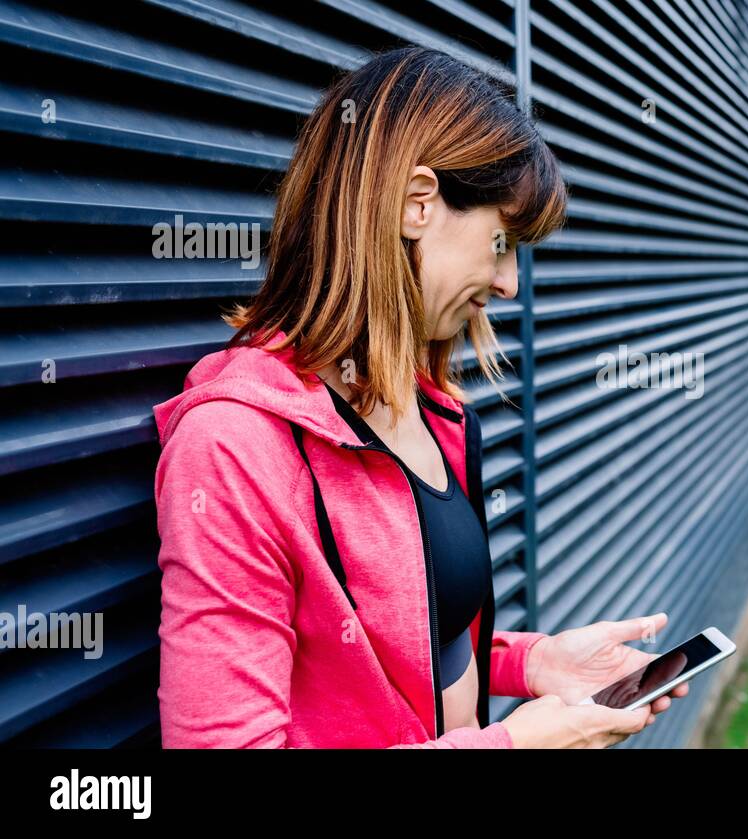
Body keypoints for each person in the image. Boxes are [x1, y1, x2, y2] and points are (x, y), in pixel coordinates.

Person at [152, 46, 687, 748]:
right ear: (416, 203)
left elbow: (401, 642)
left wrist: (534, 662)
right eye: (501, 242)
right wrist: (512, 745)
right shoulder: (234, 448)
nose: (510, 285)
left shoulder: (424, 407)